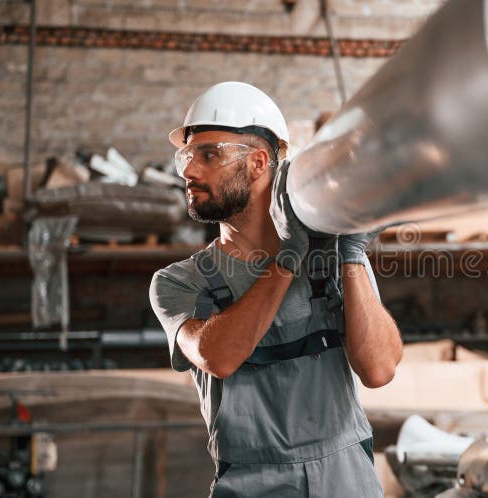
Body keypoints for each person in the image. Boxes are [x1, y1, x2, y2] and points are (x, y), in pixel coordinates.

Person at [149, 81, 403, 497]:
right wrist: (288, 258)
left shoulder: (333, 258)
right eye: (187, 158)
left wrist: (353, 253)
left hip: (347, 480)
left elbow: (379, 369)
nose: (190, 171)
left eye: (208, 155)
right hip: (254, 485)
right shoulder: (178, 282)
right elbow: (220, 355)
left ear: (258, 162)